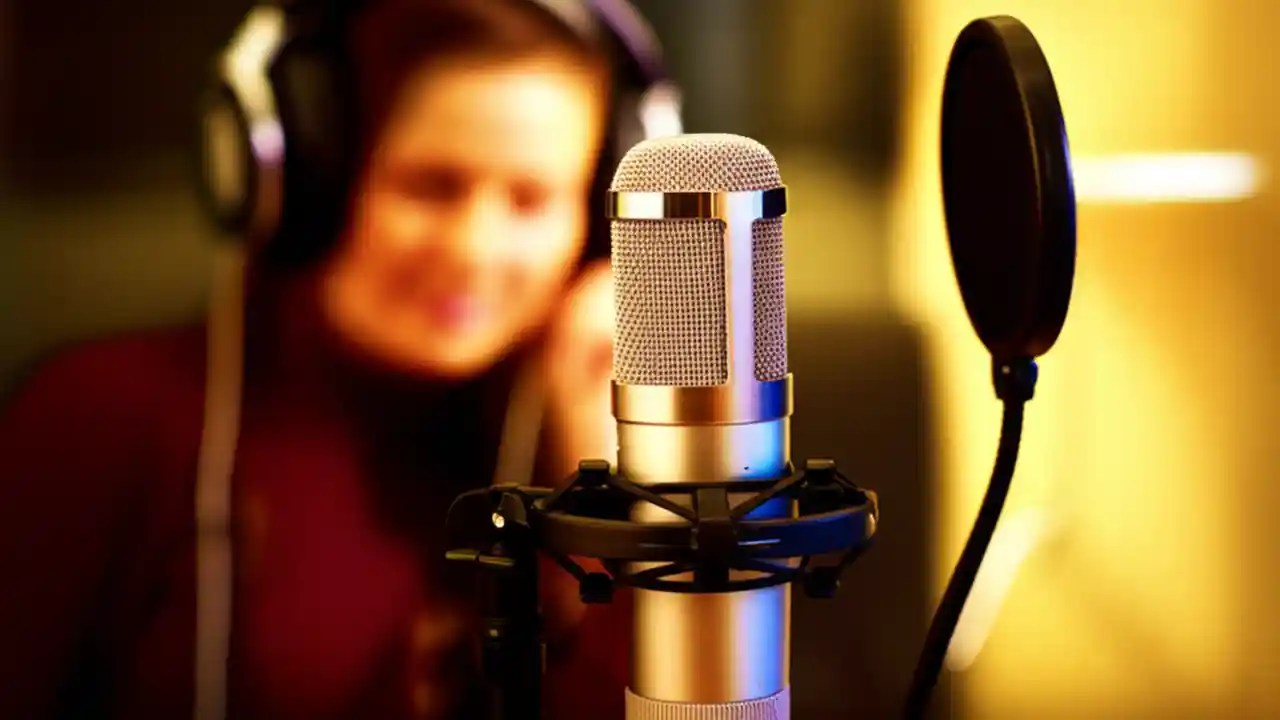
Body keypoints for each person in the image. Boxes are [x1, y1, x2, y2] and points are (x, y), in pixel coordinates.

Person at [0, 0, 654, 717]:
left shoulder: (563, 449)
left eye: (530, 200)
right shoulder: (104, 418)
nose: (474, 250)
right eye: (429, 187)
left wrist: (607, 499)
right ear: (313, 175)